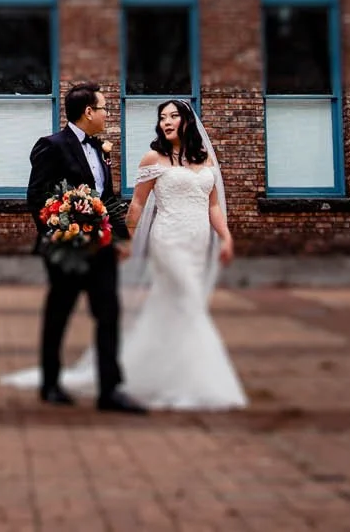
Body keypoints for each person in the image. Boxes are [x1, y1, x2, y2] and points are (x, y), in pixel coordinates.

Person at [19, 83, 146, 413]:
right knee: (59, 313)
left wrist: (122, 239)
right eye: (104, 108)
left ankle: (110, 391)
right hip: (67, 249)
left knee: (109, 314)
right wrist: (59, 234)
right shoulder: (52, 146)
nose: (107, 114)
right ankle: (50, 384)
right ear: (88, 112)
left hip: (101, 248)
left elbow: (109, 198)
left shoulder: (101, 149)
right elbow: (37, 197)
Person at [114, 98, 246, 411]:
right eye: (162, 117)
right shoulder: (153, 159)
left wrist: (226, 238)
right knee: (189, 303)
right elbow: (138, 204)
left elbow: (213, 206)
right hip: (169, 240)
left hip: (197, 242)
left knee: (173, 307)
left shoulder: (205, 162)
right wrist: (126, 240)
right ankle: (206, 384)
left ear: (188, 121)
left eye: (173, 116)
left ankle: (157, 372)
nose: (167, 121)